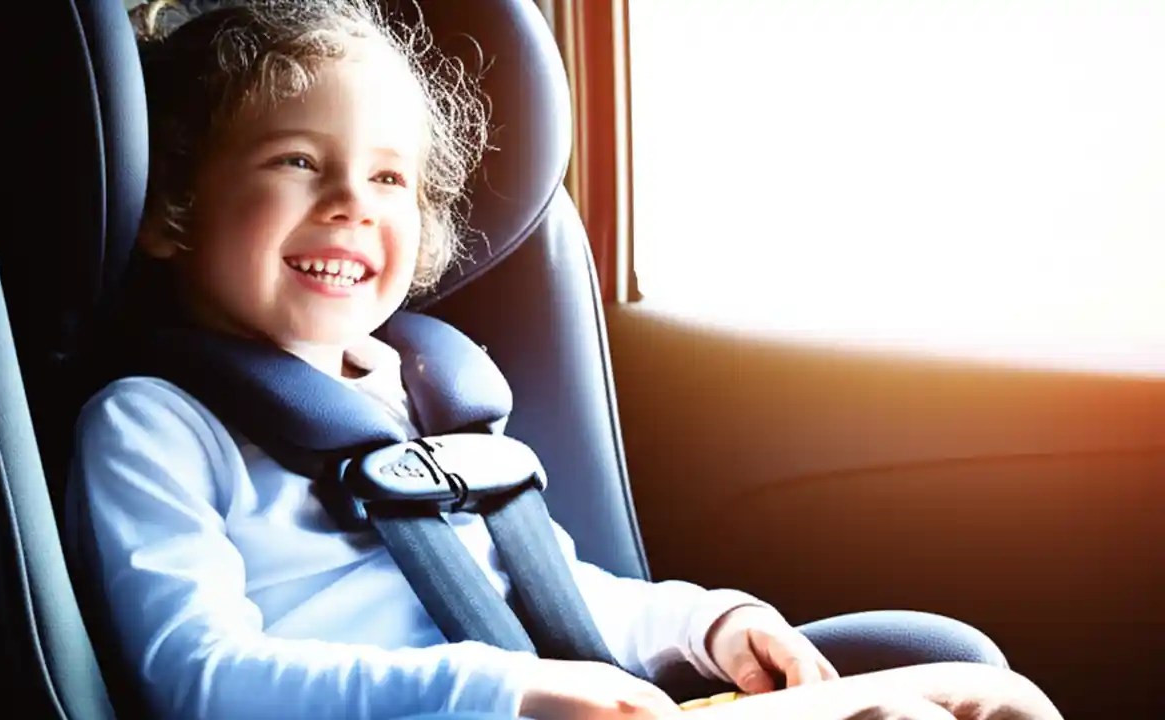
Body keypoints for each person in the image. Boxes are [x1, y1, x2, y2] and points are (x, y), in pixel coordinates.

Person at [66, 2, 1064, 718]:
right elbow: (195, 676)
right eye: (295, 162)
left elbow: (546, 588)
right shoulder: (155, 423)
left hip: (566, 699)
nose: (353, 204)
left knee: (978, 688)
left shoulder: (426, 392)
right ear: (169, 210)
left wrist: (700, 628)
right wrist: (501, 692)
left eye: (388, 178)